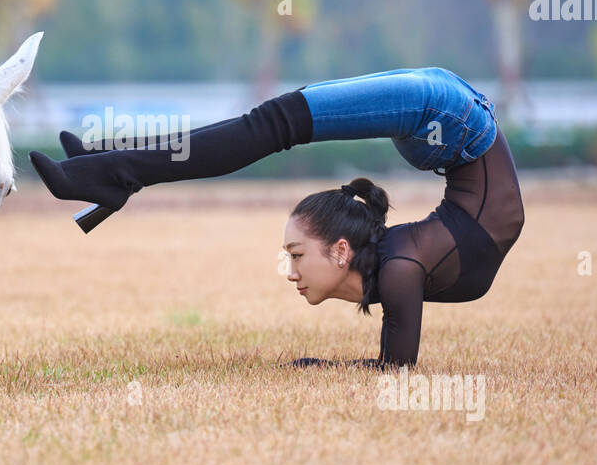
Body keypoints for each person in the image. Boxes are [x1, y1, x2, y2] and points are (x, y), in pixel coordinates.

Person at [29, 67, 525, 368]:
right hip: (448, 116)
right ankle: (108, 169)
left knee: (271, 121)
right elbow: (395, 368)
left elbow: (390, 368)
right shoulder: (400, 268)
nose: (290, 270)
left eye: (295, 255)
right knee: (271, 123)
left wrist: (322, 364)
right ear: (341, 250)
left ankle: (107, 166)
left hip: (448, 118)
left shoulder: (400, 266)